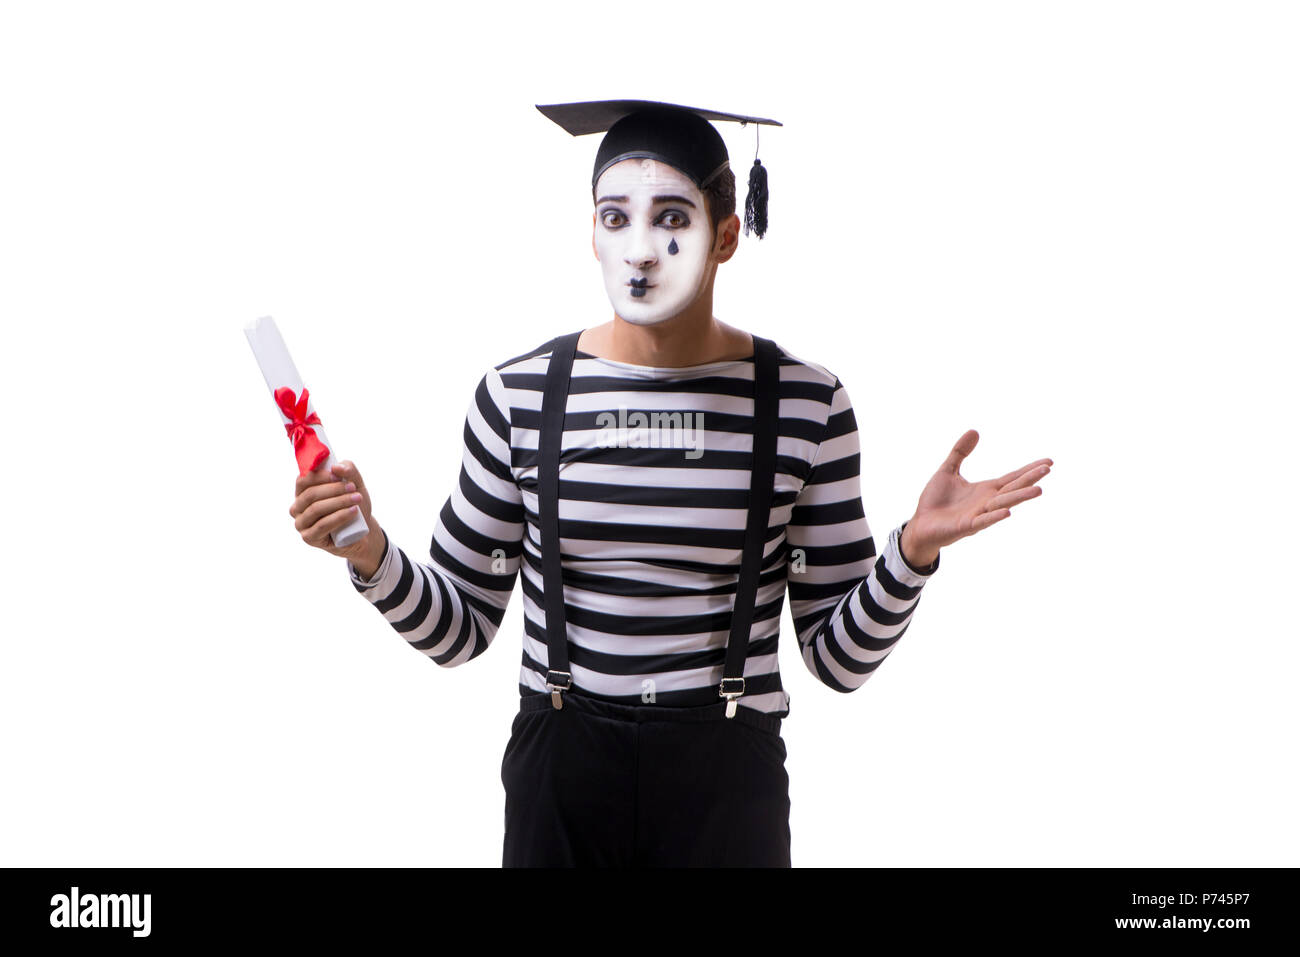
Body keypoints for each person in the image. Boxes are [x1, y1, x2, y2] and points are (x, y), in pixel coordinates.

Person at [287, 100, 1052, 867]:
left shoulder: (805, 403)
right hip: (561, 780)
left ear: (726, 235)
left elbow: (838, 660)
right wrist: (370, 552)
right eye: (615, 219)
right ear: (590, 233)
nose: (642, 250)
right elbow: (458, 633)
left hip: (727, 785)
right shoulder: (518, 396)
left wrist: (912, 552)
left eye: (672, 220)